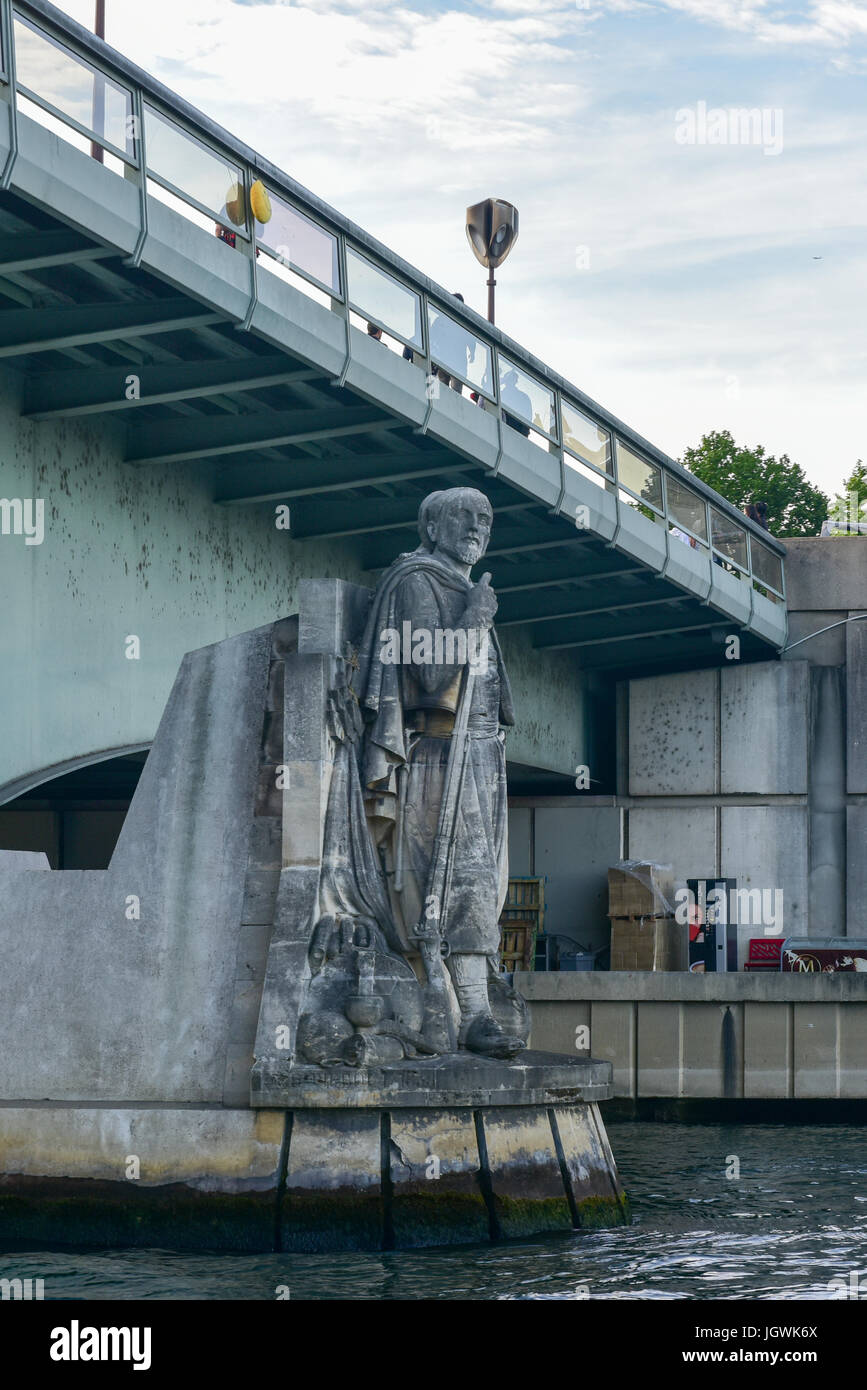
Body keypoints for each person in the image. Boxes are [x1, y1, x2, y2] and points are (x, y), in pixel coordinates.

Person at [351, 487, 523, 1058]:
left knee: (483, 882)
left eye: (487, 520)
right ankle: (465, 1012)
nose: (478, 528)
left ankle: (469, 1004)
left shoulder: (458, 583)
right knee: (454, 881)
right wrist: (476, 616)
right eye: (465, 518)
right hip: (439, 755)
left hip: (479, 755)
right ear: (432, 526)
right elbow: (429, 675)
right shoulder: (417, 582)